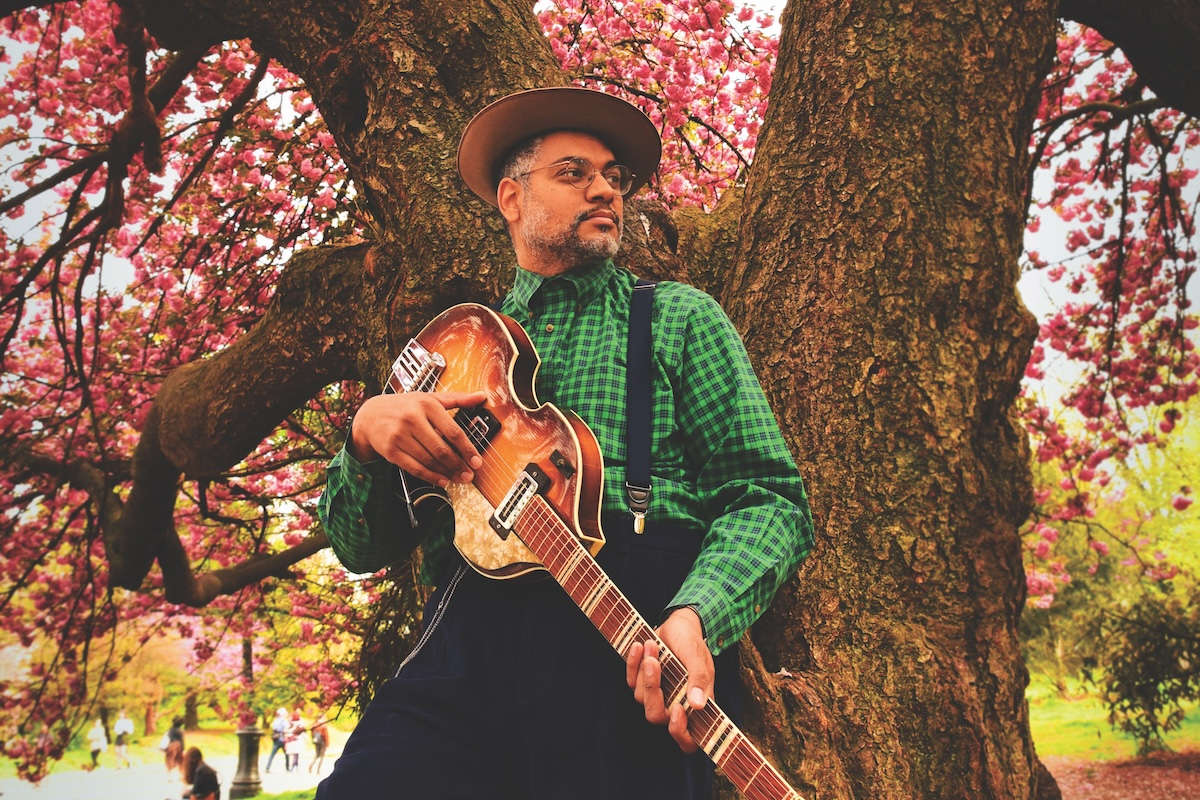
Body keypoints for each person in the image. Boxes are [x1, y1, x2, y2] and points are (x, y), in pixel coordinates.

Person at [315, 87, 813, 799]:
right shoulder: (452, 349)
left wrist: (698, 613)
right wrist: (366, 436)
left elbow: (768, 497)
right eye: (574, 172)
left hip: (632, 647)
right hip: (468, 651)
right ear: (512, 200)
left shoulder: (676, 319)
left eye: (614, 175)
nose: (605, 187)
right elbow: (360, 546)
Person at [263, 707, 288, 773]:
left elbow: (273, 728)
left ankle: (267, 768)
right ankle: (287, 768)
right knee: (286, 754)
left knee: (272, 754)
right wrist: (286, 739)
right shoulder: (284, 720)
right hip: (282, 739)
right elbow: (285, 730)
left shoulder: (276, 720)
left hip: (276, 738)